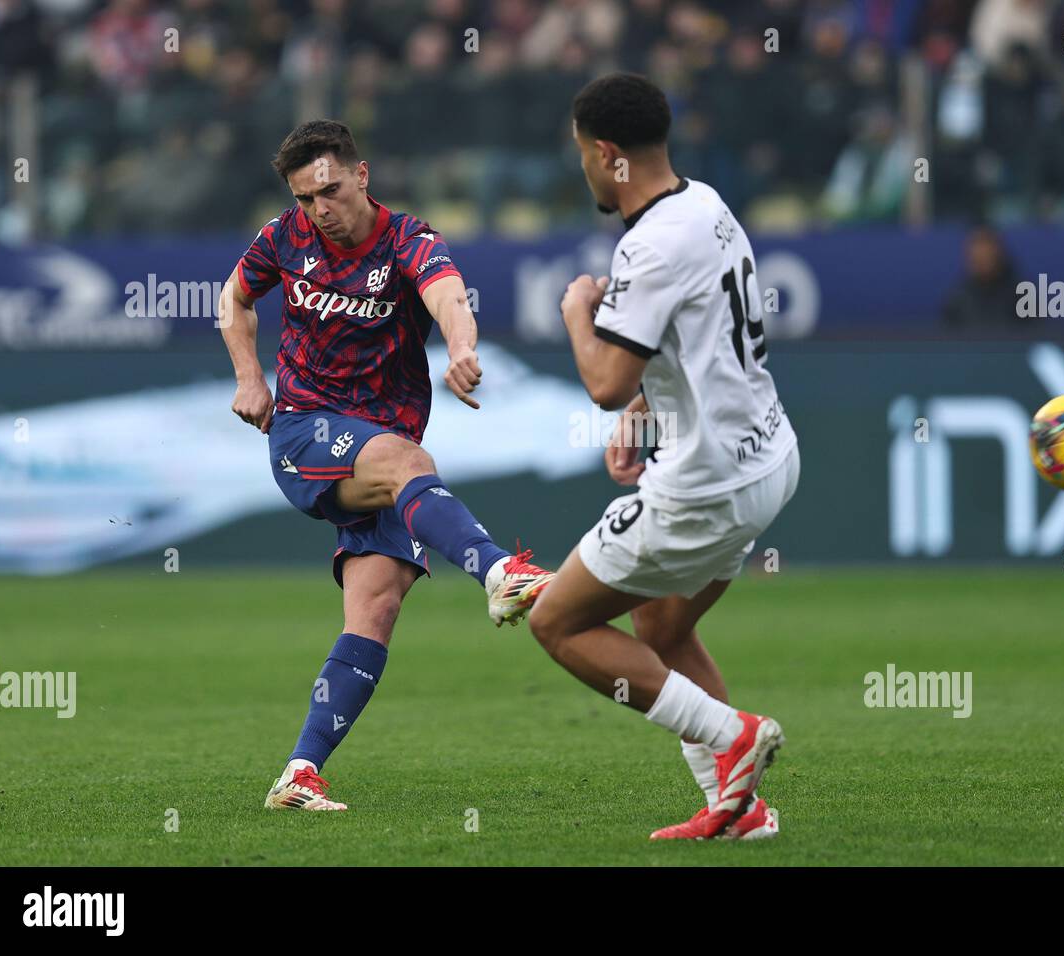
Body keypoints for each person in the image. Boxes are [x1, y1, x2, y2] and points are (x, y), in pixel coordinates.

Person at [217, 119, 554, 812]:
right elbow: (234, 298)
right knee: (409, 461)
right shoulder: (284, 238)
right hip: (304, 432)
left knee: (375, 610)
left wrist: (461, 348)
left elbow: (448, 296)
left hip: (375, 443)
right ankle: (498, 571)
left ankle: (300, 772)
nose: (319, 210)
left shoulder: (408, 240)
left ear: (361, 175)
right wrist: (250, 378)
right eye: (307, 198)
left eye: (330, 192)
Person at [528, 74, 801, 840]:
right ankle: (740, 811)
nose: (581, 166)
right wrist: (651, 414)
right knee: (664, 627)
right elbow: (703, 346)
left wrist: (576, 312)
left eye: (583, 153)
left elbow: (606, 383)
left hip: (706, 485)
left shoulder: (647, 246)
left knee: (558, 622)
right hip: (769, 456)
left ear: (607, 153)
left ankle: (733, 735)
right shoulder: (704, 203)